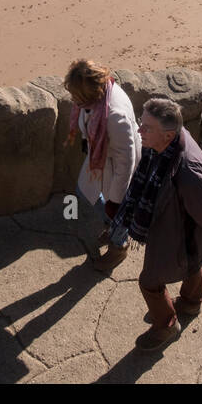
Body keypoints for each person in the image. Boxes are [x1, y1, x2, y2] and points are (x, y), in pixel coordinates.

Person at [104, 97, 202, 351]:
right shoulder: (168, 144)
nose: (139, 130)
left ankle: (167, 325)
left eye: (146, 128)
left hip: (179, 233)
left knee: (149, 281)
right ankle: (191, 302)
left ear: (168, 134)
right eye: (141, 123)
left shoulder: (184, 171)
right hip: (181, 230)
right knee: (194, 261)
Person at [64, 60, 140, 271]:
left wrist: (115, 202)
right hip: (100, 160)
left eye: (75, 95)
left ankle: (119, 246)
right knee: (83, 191)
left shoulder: (115, 116)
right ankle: (112, 223)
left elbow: (127, 161)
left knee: (120, 210)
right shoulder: (97, 102)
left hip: (116, 169)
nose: (72, 99)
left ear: (89, 95)